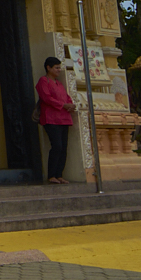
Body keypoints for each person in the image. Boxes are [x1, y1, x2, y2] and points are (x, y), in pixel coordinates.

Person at [34, 56, 78, 184]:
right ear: (49, 68)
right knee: (57, 146)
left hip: (63, 118)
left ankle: (59, 174)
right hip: (51, 118)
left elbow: (66, 97)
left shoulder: (59, 83)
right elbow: (46, 98)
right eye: (56, 67)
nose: (59, 70)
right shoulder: (44, 81)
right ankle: (51, 174)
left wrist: (70, 104)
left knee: (63, 147)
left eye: (59, 67)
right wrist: (63, 105)